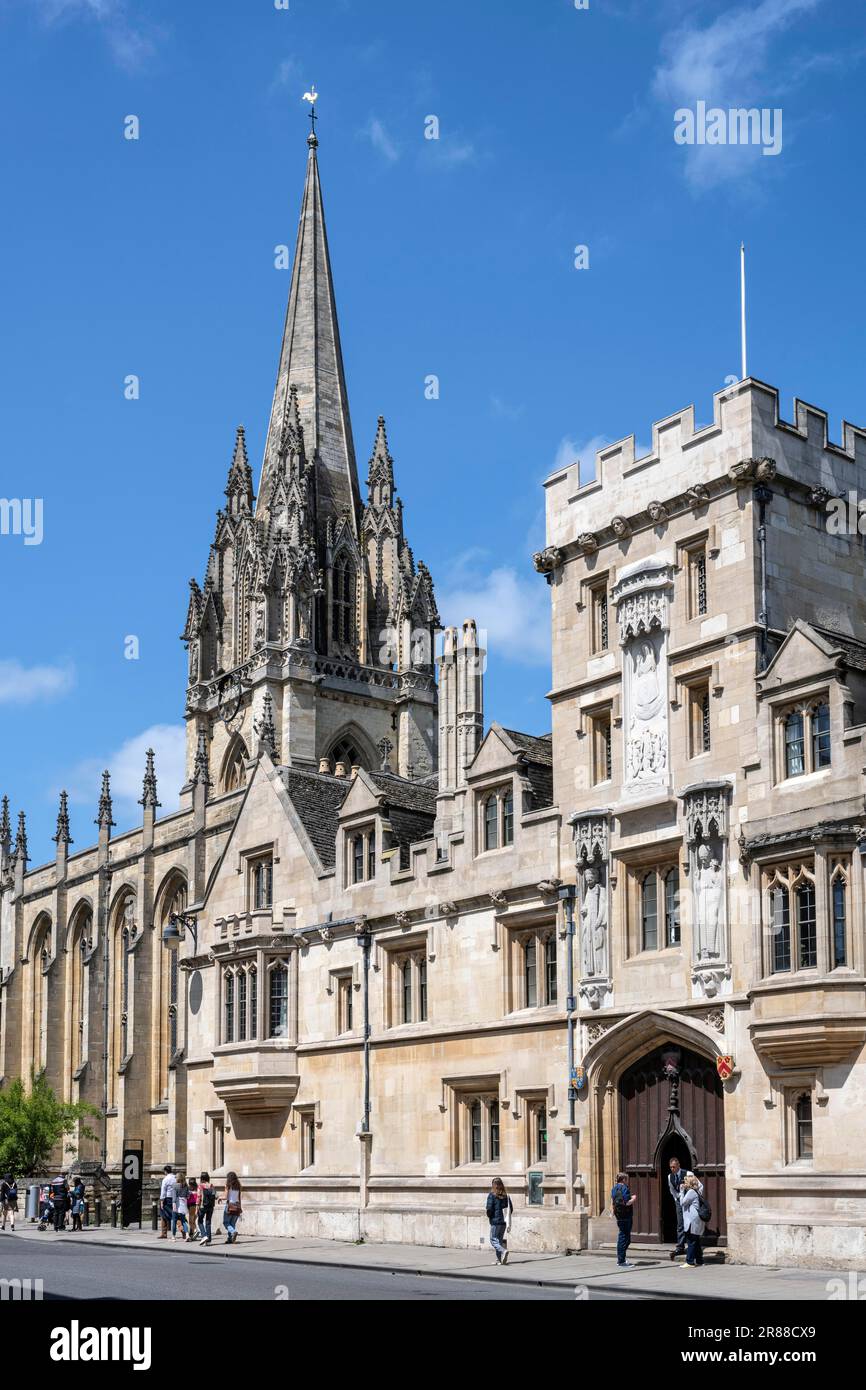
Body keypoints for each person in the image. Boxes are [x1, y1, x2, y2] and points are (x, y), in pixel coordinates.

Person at [611, 1171, 637, 1268]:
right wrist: (633, 1199)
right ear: (624, 1179)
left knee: (624, 1237)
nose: (628, 1181)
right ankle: (621, 1261)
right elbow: (626, 1203)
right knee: (624, 1238)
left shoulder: (614, 1188)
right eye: (627, 1179)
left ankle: (621, 1258)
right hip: (626, 1215)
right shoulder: (624, 1188)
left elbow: (613, 1201)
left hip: (619, 1216)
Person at [485, 1177, 513, 1265]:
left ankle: (503, 1251)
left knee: (493, 1240)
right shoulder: (506, 1196)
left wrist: (490, 1216)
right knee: (499, 1240)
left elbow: (489, 1209)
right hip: (503, 1222)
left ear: (493, 1185)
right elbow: (510, 1209)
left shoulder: (492, 1195)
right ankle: (499, 1260)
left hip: (495, 1222)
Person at [681, 1174, 705, 1267]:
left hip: (692, 1219)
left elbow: (682, 1203)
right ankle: (700, 1260)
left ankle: (689, 1261)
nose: (684, 1183)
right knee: (696, 1240)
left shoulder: (691, 1192)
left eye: (685, 1181)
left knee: (691, 1240)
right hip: (695, 1219)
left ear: (689, 1183)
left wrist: (681, 1191)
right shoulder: (696, 1191)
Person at [668, 1157, 687, 1259]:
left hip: (688, 1201)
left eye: (674, 1167)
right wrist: (677, 1198)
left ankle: (692, 1244)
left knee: (689, 1222)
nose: (672, 1169)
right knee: (680, 1223)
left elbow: (696, 1186)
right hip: (679, 1201)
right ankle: (680, 1246)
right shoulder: (670, 1177)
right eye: (671, 1167)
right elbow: (672, 1190)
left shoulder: (687, 1174)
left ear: (678, 1166)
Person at [222, 1172, 242, 1244]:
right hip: (237, 1206)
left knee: (226, 1222)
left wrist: (219, 1198)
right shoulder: (238, 1185)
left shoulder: (227, 1185)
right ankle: (230, 1239)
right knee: (232, 1223)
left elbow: (226, 1197)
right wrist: (240, 1207)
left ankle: (233, 1232)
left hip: (229, 1206)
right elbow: (239, 1198)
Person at [197, 1173, 215, 1246]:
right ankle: (208, 1240)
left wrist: (197, 1206)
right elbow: (215, 1195)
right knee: (208, 1222)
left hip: (202, 1206)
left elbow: (199, 1196)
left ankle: (204, 1236)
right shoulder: (211, 1185)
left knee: (200, 1221)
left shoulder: (200, 1186)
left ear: (202, 1178)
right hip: (210, 1206)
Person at [159, 1165, 176, 1239]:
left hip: (167, 1198)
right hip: (175, 1198)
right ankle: (183, 1232)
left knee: (163, 1215)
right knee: (176, 1214)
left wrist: (162, 1201)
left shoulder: (165, 1179)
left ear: (165, 1171)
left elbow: (163, 1191)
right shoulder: (175, 1178)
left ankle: (164, 1233)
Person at [172, 1175, 190, 1241]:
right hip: (183, 1204)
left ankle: (173, 1237)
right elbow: (188, 1196)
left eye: (176, 1177)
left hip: (176, 1204)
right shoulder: (186, 1186)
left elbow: (174, 1196)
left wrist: (174, 1203)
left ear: (178, 1178)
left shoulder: (175, 1185)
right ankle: (187, 1235)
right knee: (183, 1221)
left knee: (174, 1220)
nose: (175, 1178)